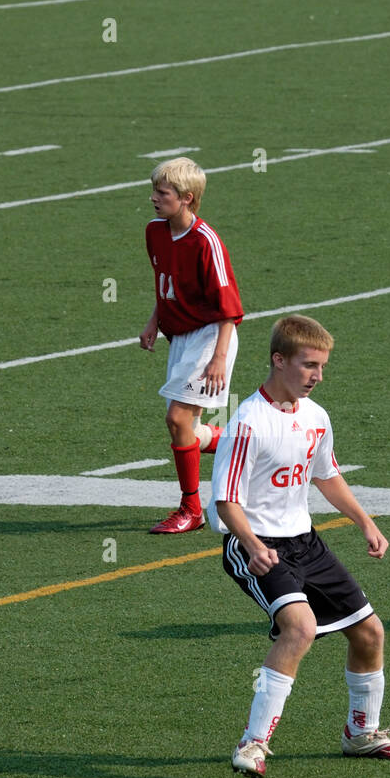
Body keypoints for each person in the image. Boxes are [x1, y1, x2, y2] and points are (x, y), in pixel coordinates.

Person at [209, 315, 390, 778]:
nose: (317, 376)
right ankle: (253, 743)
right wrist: (252, 543)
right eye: (308, 365)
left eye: (322, 366)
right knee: (298, 629)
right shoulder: (247, 423)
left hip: (306, 543)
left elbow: (325, 474)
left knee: (370, 633)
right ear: (278, 361)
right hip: (256, 545)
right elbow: (225, 500)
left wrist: (364, 521)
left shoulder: (316, 417)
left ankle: (362, 734)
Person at [139, 157, 244, 534]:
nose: (153, 198)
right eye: (154, 190)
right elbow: (168, 285)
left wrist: (218, 357)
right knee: (187, 429)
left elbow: (229, 308)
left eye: (161, 192)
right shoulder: (154, 231)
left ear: (186, 198)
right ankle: (241, 442)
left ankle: (191, 508)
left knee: (177, 419)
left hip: (210, 335)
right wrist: (154, 322)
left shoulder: (206, 241)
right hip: (180, 337)